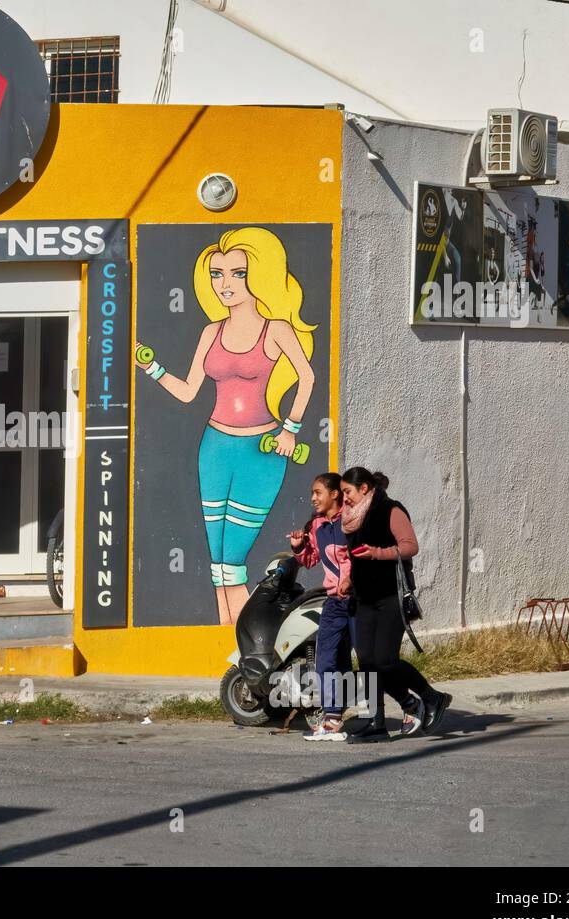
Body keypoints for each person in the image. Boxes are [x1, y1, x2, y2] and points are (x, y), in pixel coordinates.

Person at [134, 227, 317, 625]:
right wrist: (152, 368)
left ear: (260, 276)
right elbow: (187, 392)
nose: (225, 284)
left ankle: (253, 643)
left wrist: (291, 428)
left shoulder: (276, 329)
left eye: (237, 273)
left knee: (233, 560)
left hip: (260, 453)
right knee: (218, 564)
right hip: (214, 448)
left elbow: (308, 377)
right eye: (217, 274)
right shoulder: (210, 332)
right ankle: (227, 641)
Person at [340, 468, 451, 742]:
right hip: (363, 598)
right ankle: (376, 723)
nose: (345, 498)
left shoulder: (390, 510)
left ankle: (432, 697)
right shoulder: (351, 519)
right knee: (367, 661)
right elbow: (354, 558)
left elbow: (410, 546)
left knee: (385, 661)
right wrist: (349, 580)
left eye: (348, 492)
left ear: (364, 488)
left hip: (390, 596)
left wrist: (378, 553)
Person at [288, 473, 354, 742]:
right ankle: (332, 719)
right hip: (334, 602)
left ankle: (389, 711)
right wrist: (298, 547)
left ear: (335, 494)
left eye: (318, 492)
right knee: (326, 659)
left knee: (369, 659)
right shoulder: (316, 526)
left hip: (360, 600)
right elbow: (311, 560)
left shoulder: (352, 520)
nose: (313, 498)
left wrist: (352, 579)